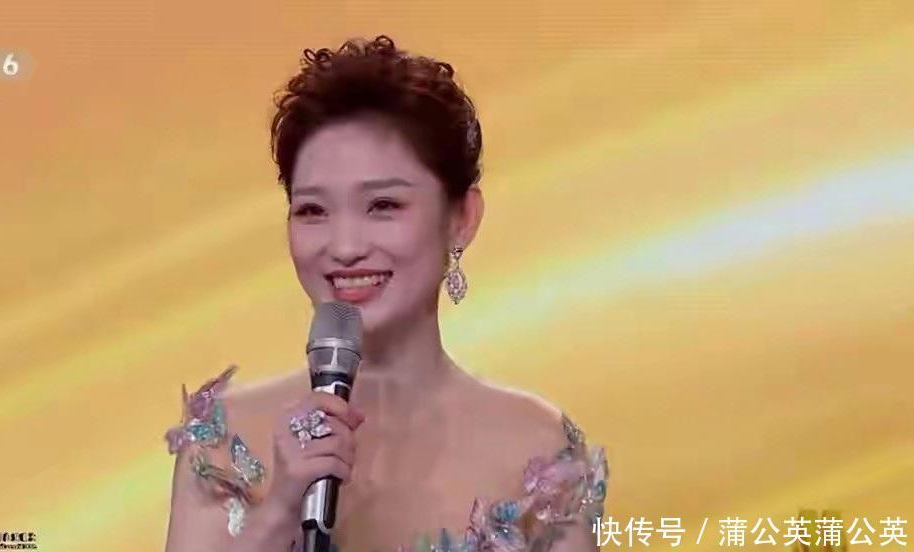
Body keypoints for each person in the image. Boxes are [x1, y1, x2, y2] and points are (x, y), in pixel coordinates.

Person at [163, 35, 608, 552]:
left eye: (383, 206)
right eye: (313, 210)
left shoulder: (539, 451)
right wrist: (281, 511)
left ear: (461, 218)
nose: (345, 247)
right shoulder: (223, 439)